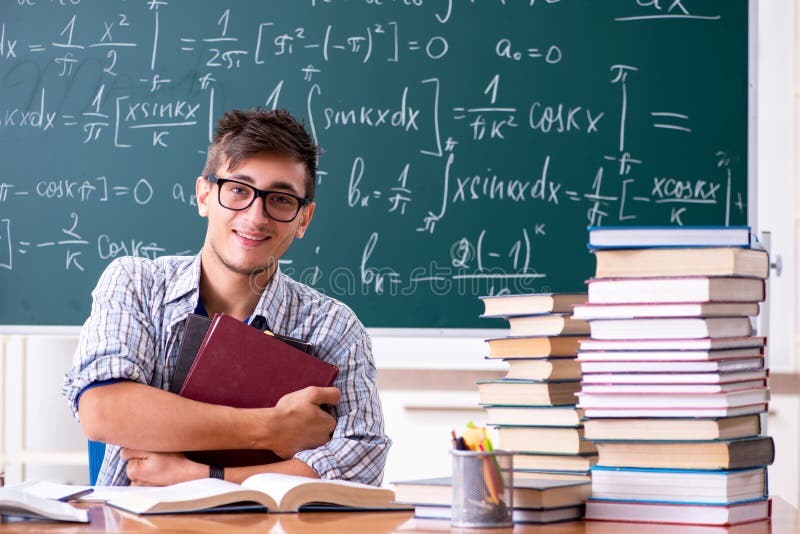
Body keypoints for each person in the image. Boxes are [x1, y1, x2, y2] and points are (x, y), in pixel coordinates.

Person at [62, 108, 390, 487]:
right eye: (238, 190)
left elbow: (361, 464)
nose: (256, 217)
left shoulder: (332, 326)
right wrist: (270, 428)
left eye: (281, 199)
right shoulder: (136, 283)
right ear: (204, 195)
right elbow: (104, 412)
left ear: (304, 219)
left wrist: (202, 476)